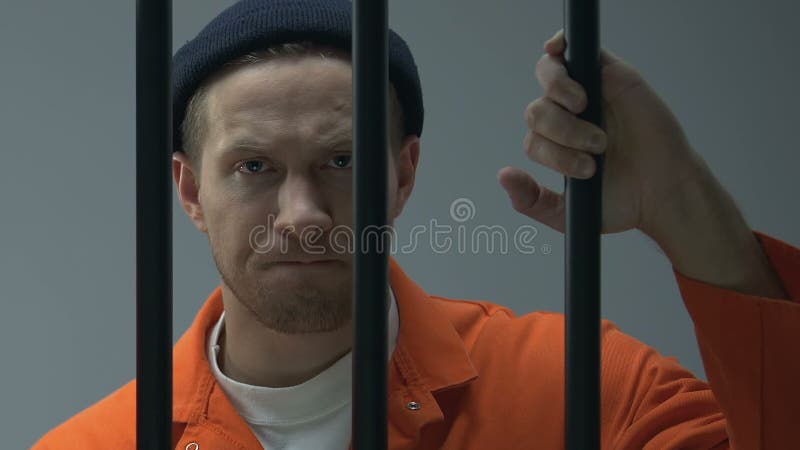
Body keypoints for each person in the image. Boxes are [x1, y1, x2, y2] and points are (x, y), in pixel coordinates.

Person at [31, 0, 800, 449]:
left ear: (402, 174)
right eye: (255, 168)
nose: (302, 218)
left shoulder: (586, 392)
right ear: (191, 190)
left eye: (342, 162)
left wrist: (685, 206)